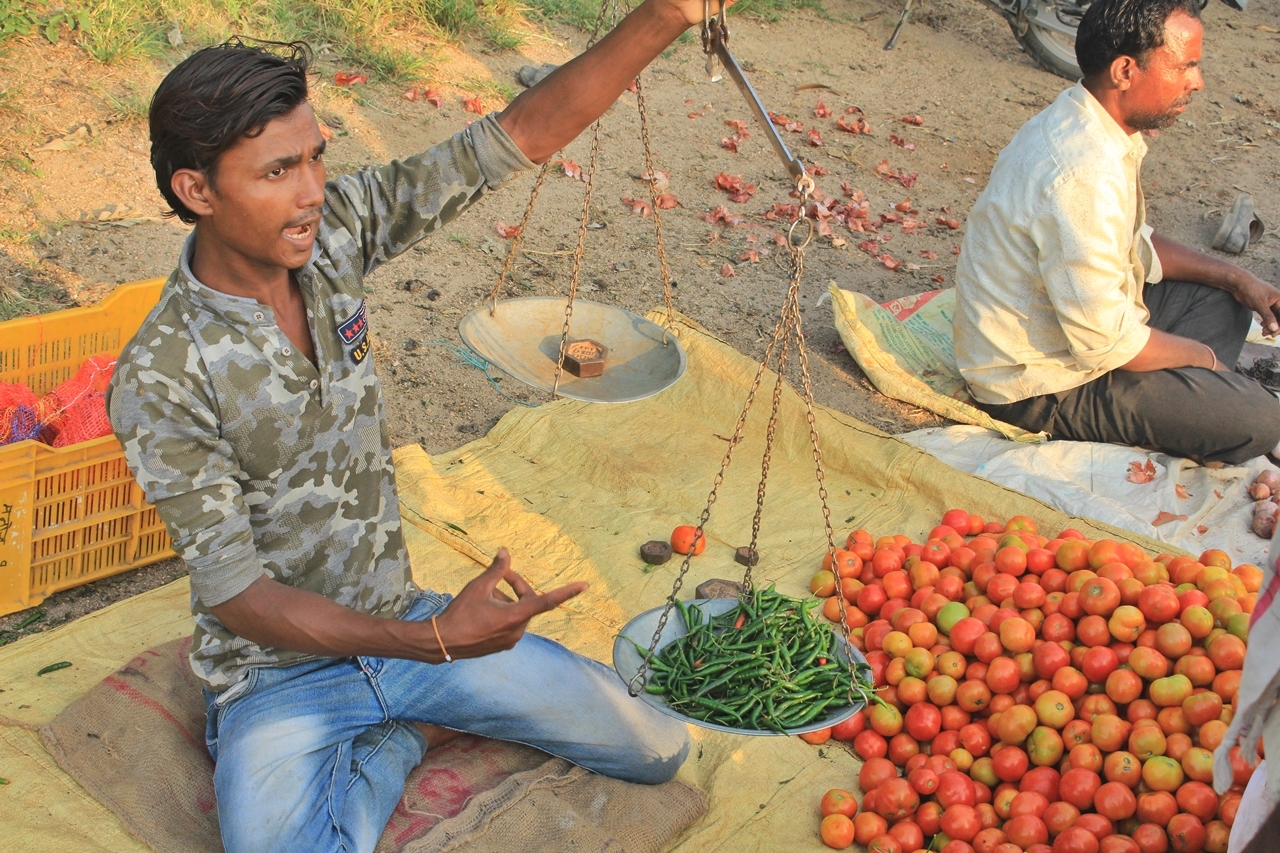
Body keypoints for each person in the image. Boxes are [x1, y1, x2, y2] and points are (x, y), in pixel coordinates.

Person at [106, 3, 716, 848]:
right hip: (277, 676)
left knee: (656, 747)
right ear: (196, 189)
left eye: (317, 157)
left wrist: (664, 16)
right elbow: (240, 597)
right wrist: (430, 641)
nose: (313, 192)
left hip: (405, 622)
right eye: (278, 171)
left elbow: (512, 136)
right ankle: (395, 742)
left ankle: (400, 723)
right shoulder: (163, 374)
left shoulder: (332, 237)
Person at [952, 0, 1280, 465]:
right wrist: (1204, 358)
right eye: (1186, 66)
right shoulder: (1082, 172)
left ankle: (1193, 401)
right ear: (1125, 70)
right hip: (1037, 384)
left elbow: (1134, 242)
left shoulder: (1087, 118)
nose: (1197, 81)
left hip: (1079, 335)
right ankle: (1193, 409)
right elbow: (1108, 342)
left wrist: (1235, 277)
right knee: (1260, 420)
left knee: (1226, 300)